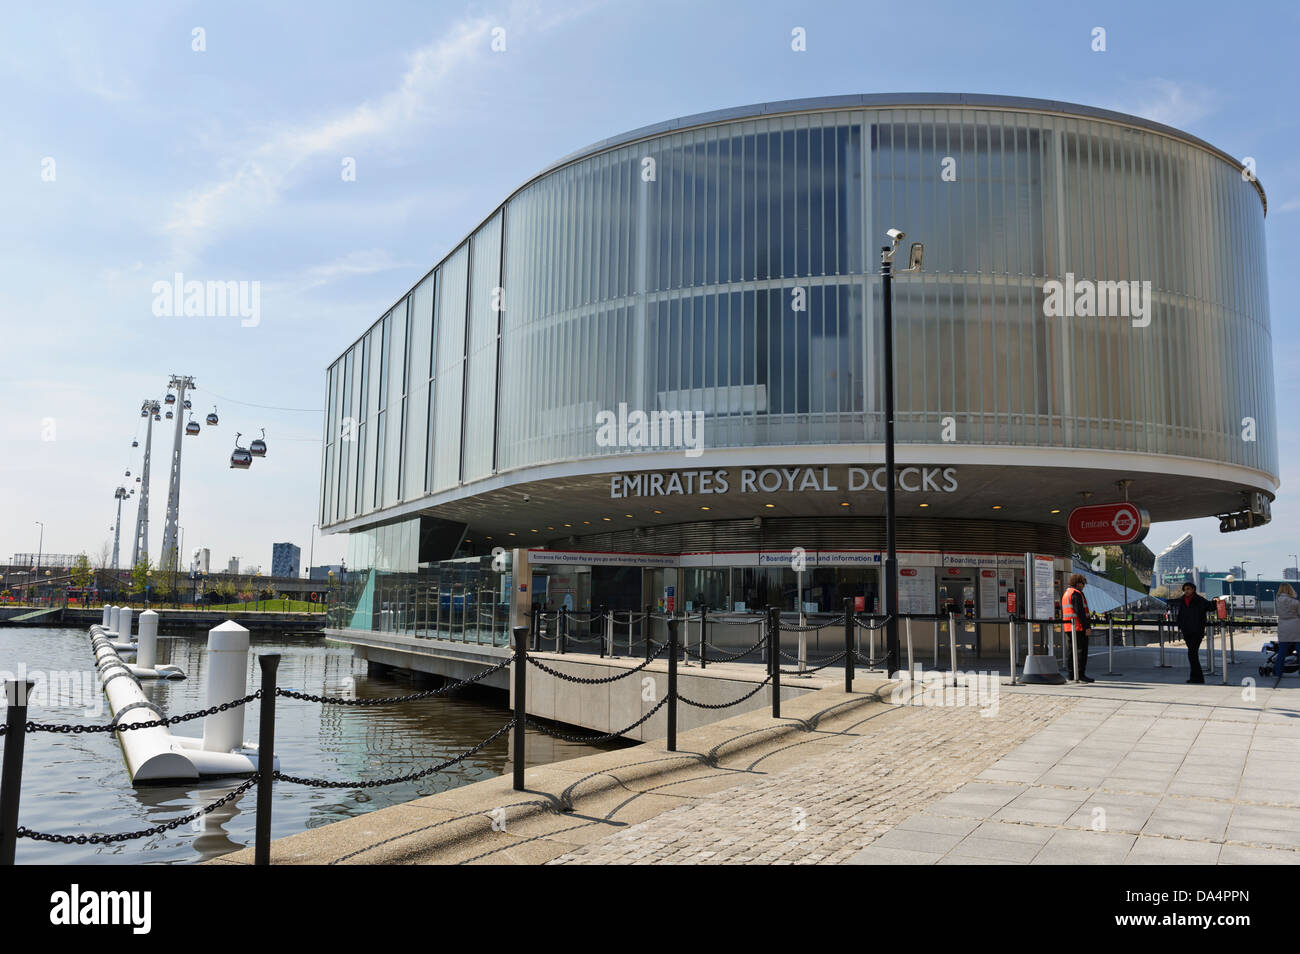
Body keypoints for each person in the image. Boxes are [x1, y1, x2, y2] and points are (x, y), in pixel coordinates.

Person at [1170, 581, 1214, 683]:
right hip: (1187, 631)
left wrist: (1217, 600)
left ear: (1193, 589)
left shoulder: (1199, 600)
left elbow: (1210, 606)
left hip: (1197, 631)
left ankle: (1197, 678)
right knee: (1192, 654)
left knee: (1192, 653)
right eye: (1185, 589)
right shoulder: (1182, 600)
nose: (1187, 591)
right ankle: (1197, 677)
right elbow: (1174, 607)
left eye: (1188, 589)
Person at [1061, 573, 1094, 683]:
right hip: (1079, 627)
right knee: (1081, 651)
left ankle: (1071, 674)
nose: (1083, 586)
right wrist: (1087, 627)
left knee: (1072, 651)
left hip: (1069, 627)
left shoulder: (1067, 593)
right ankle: (1080, 674)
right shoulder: (1076, 594)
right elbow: (1080, 612)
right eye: (1082, 583)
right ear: (1078, 583)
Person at [1274, 583, 1300, 676]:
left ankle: (1278, 671)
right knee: (1299, 650)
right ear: (1290, 590)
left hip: (1283, 627)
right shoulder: (1295, 602)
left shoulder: (1277, 601)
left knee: (1282, 651)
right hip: (1296, 627)